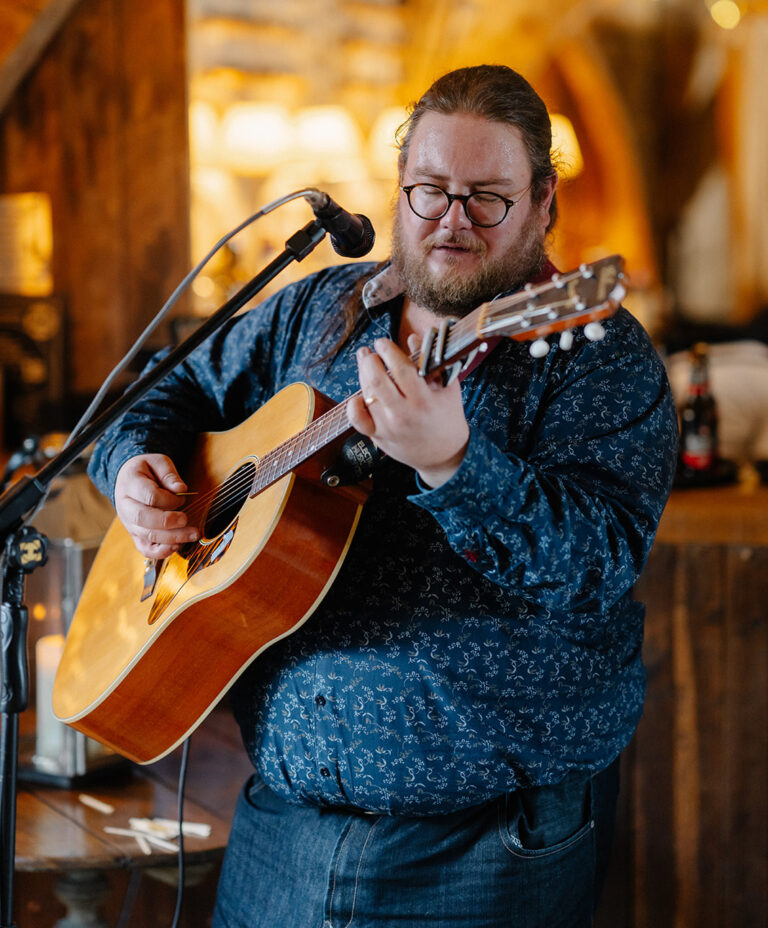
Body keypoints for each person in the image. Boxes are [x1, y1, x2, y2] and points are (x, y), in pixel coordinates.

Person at [88, 64, 678, 928]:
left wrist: (456, 466)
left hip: (484, 855)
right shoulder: (322, 308)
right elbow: (155, 393)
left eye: (488, 199)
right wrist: (134, 468)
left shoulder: (597, 356)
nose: (451, 222)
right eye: (429, 191)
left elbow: (595, 566)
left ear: (545, 201)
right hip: (281, 828)